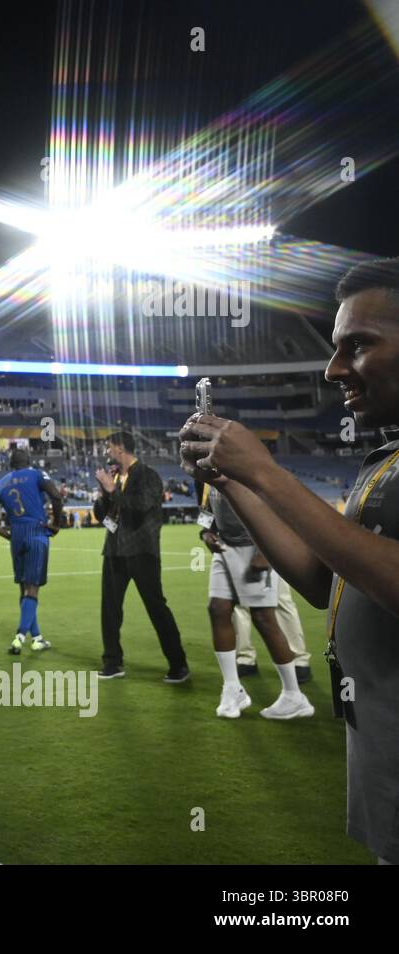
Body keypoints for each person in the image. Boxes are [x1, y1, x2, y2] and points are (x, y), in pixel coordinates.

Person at [179, 257, 399, 864]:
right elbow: (324, 580)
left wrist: (266, 472)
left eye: (358, 346)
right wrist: (233, 482)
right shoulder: (385, 458)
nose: (334, 370)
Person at [198, 484, 313, 719]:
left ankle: (294, 695)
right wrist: (205, 533)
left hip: (256, 547)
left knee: (263, 618)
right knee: (218, 609)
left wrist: (266, 552)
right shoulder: (209, 472)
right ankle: (232, 689)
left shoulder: (243, 464)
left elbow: (278, 509)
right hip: (225, 547)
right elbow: (208, 510)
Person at [93, 431, 189, 682]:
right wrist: (103, 495)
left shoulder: (148, 475)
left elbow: (140, 505)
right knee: (109, 609)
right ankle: (112, 662)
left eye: (109, 447)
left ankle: (178, 665)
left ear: (121, 448)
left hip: (142, 550)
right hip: (114, 550)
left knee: (156, 607)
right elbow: (102, 516)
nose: (106, 452)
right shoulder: (113, 476)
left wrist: (112, 489)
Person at [0, 447, 63, 655]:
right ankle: (19, 637)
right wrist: (56, 523)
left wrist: (7, 535)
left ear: (11, 465)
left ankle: (37, 638)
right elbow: (56, 496)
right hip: (37, 532)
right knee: (33, 588)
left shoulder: (1, 483)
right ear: (28, 461)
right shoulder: (36, 474)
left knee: (23, 588)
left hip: (16, 534)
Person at [232, 577, 312, 683]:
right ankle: (245, 658)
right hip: (237, 560)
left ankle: (298, 660)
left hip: (272, 560)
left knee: (279, 598)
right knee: (238, 601)